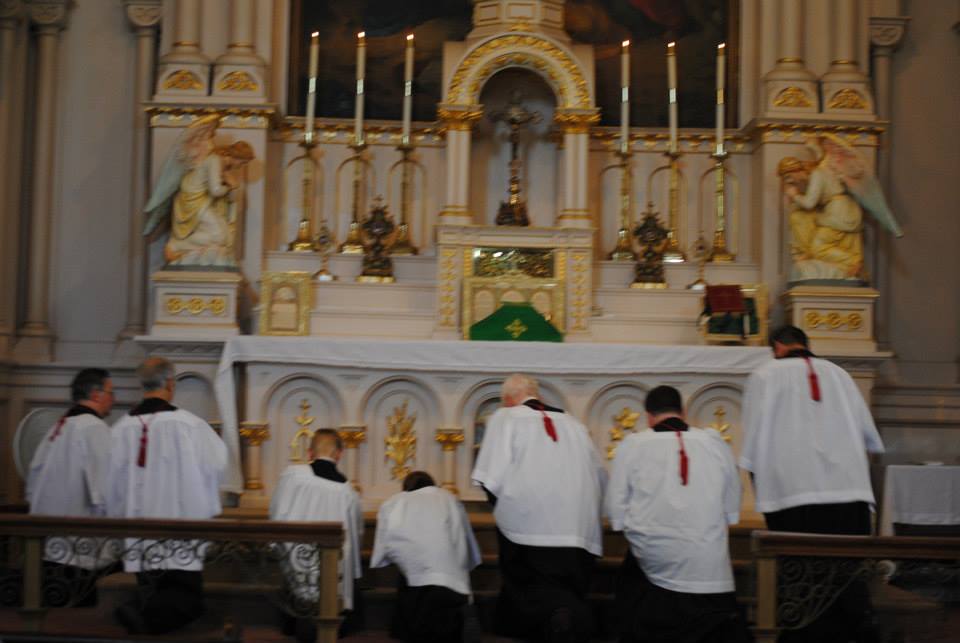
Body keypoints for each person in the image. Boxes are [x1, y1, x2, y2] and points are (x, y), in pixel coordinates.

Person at [741, 325, 885, 642]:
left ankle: (804, 635)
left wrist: (760, 483)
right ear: (805, 344)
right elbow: (869, 438)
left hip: (792, 494)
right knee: (846, 571)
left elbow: (751, 443)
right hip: (849, 492)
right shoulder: (839, 374)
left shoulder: (765, 375)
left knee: (799, 572)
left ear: (777, 346)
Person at [606, 386, 749, 643]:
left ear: (648, 416)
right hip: (708, 561)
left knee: (631, 582)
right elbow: (731, 504)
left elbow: (616, 509)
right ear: (684, 412)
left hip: (653, 558)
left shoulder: (634, 444)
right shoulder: (713, 442)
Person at [472, 373, 606, 643]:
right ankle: (570, 620)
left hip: (527, 530)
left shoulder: (505, 417)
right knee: (567, 585)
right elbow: (600, 477)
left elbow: (489, 478)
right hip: (577, 530)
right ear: (539, 396)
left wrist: (505, 510)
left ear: (508, 400)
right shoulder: (574, 424)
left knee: (529, 585)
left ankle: (550, 620)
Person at [107, 357, 227, 635]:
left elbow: (110, 481)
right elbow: (217, 465)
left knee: (152, 582)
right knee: (184, 593)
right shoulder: (190, 425)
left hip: (139, 527)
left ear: (143, 385)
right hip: (180, 525)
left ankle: (145, 614)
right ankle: (150, 620)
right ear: (171, 384)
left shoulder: (121, 428)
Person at [27, 368, 117, 605]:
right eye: (111, 392)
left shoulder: (58, 427)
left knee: (54, 608)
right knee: (82, 613)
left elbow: (33, 480)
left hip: (51, 541)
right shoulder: (94, 428)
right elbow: (105, 487)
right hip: (81, 547)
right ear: (96, 394)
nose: (113, 398)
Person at [270, 429, 364, 643]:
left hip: (296, 555)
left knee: (301, 590)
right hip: (332, 563)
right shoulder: (348, 491)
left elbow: (277, 511)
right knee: (327, 595)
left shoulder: (292, 475)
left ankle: (296, 627)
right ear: (339, 454)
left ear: (310, 452)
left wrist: (278, 543)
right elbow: (355, 532)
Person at [371, 471, 482, 643]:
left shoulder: (394, 502)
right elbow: (464, 539)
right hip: (448, 582)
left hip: (414, 582)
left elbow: (384, 550)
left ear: (406, 488)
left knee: (411, 578)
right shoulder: (449, 498)